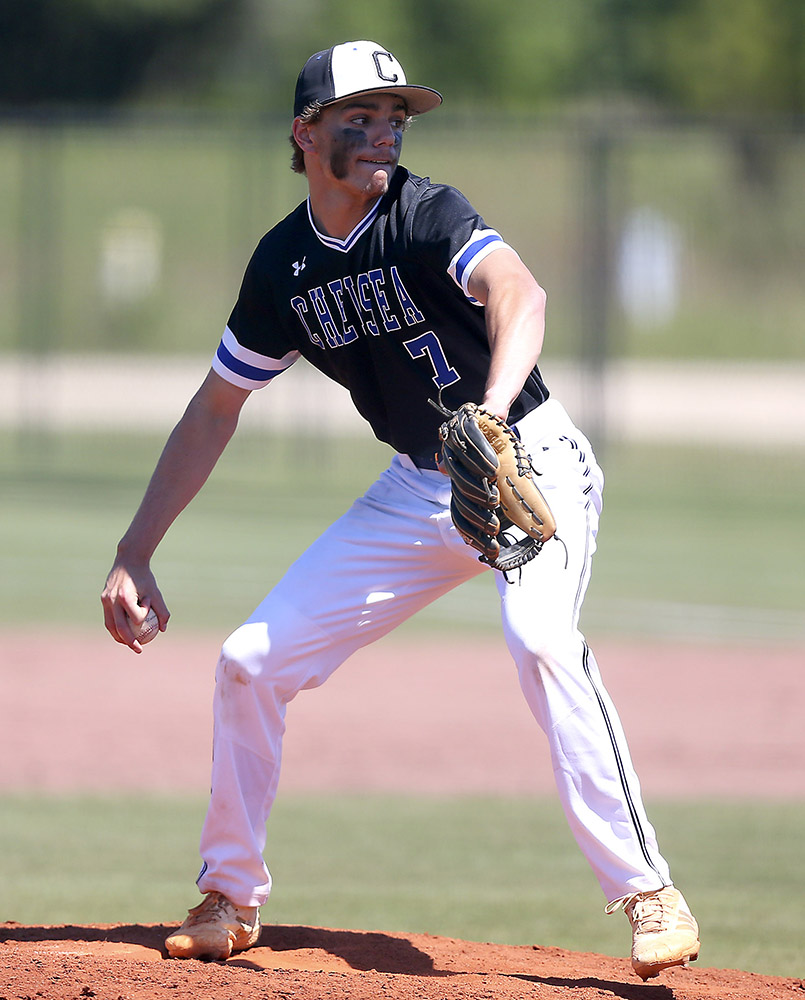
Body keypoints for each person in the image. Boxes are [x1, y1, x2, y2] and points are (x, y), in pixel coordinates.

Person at [101, 40, 700, 981]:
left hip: (524, 464)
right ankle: (229, 895)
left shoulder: (426, 213)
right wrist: (135, 550)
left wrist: (491, 418)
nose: (384, 134)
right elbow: (218, 403)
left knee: (541, 638)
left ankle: (647, 892)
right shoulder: (283, 267)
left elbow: (520, 293)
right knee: (249, 662)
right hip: (416, 489)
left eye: (394, 120)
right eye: (360, 119)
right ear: (304, 134)